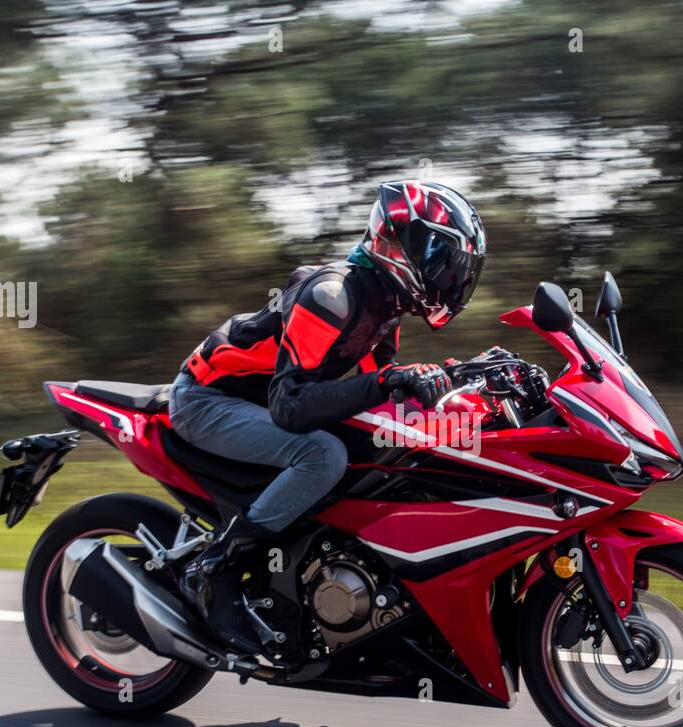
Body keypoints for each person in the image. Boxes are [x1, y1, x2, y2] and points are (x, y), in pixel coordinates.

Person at [168, 181, 487, 653]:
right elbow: (291, 406)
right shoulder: (332, 297)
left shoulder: (384, 309)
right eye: (443, 260)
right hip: (208, 400)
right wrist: (391, 381)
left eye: (457, 268)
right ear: (402, 243)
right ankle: (219, 568)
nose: (449, 277)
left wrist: (452, 388)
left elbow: (371, 397)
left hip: (256, 404)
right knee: (323, 455)